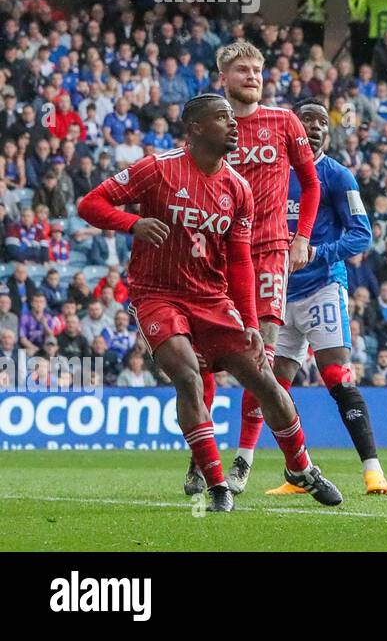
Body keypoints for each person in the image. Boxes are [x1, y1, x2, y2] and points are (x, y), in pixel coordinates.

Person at [76, 94, 342, 510]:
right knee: (187, 375)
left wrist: (251, 322)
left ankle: (302, 467)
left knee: (264, 381)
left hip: (212, 297)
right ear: (196, 128)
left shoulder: (237, 188)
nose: (234, 124)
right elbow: (90, 203)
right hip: (157, 295)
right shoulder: (157, 168)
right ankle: (217, 484)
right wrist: (133, 223)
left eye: (232, 118)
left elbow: (239, 262)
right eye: (222, 118)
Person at [199, 41, 321, 496]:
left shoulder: (285, 122)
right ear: (224, 77)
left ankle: (243, 460)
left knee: (260, 362)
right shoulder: (212, 128)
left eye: (257, 70)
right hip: (218, 257)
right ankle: (201, 456)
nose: (252, 76)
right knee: (199, 358)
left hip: (269, 251)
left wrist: (302, 237)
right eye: (242, 70)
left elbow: (310, 185)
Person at [264, 101, 387, 497]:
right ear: (292, 130)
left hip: (322, 287)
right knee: (272, 386)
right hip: (280, 293)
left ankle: (373, 470)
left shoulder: (336, 176)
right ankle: (297, 472)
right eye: (307, 121)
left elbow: (361, 235)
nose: (315, 127)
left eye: (322, 123)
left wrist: (318, 252)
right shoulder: (272, 173)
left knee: (335, 375)